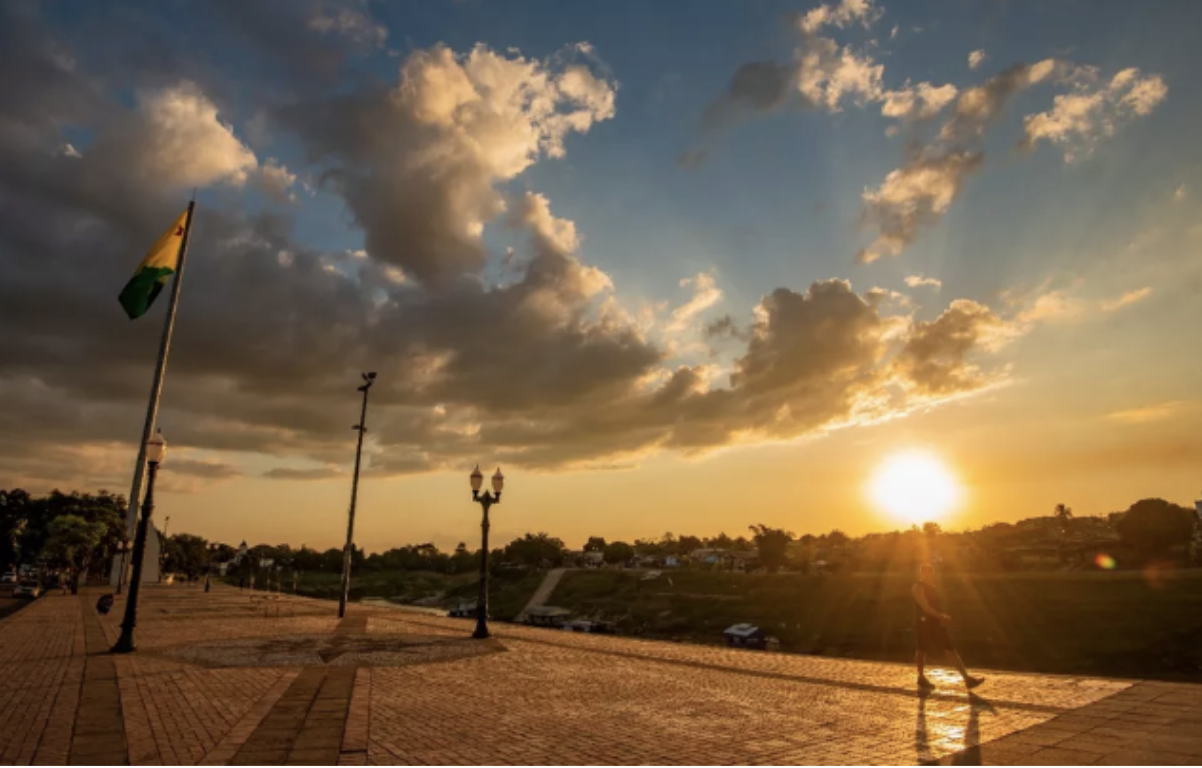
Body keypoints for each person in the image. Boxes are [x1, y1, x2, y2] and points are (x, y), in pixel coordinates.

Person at [913, 562, 984, 691]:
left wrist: (940, 617)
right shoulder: (918, 587)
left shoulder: (932, 587)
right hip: (924, 622)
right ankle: (921, 676)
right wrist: (941, 616)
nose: (929, 575)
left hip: (935, 623)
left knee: (950, 649)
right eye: (926, 573)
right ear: (922, 573)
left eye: (930, 573)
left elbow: (934, 606)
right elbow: (925, 607)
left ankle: (967, 678)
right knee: (922, 650)